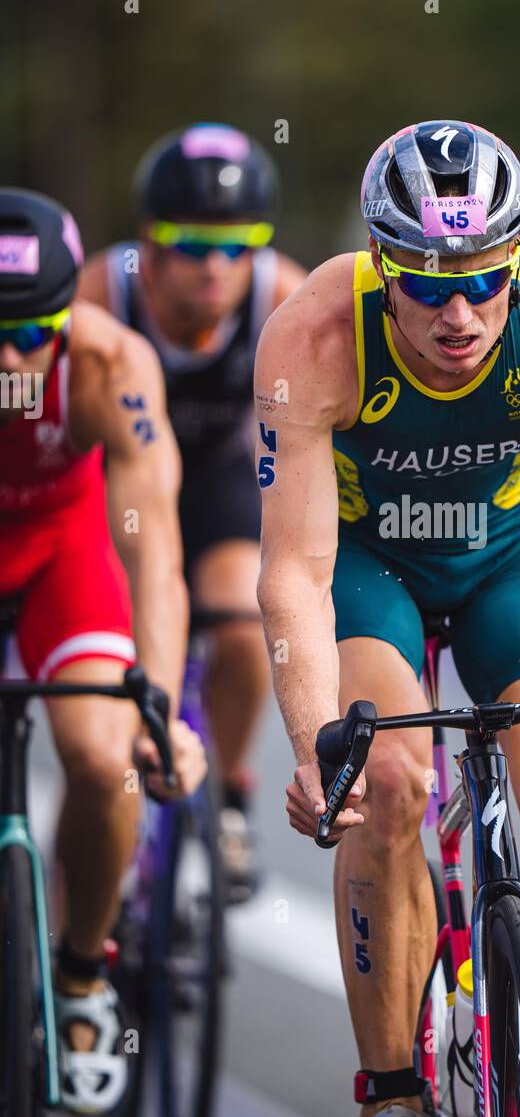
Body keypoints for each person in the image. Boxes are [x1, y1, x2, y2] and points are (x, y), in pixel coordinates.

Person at [256, 118, 520, 1117]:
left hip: (512, 555)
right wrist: (308, 740)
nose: (459, 311)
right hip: (371, 564)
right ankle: (390, 1104)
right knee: (387, 781)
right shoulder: (313, 335)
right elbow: (290, 567)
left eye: (480, 279)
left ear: (514, 260)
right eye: (425, 285)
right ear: (380, 269)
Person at [0, 188, 205, 1113]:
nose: (12, 357)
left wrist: (155, 701)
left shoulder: (110, 362)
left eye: (36, 332)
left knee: (104, 755)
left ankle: (82, 973)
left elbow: (155, 546)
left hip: (60, 545)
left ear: (68, 319)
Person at [79, 122, 307, 902]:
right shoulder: (102, 292)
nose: (216, 266)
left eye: (238, 244)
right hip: (116, 491)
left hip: (217, 482)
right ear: (151, 241)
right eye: (190, 242)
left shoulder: (283, 293)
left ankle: (232, 795)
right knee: (120, 650)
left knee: (246, 628)